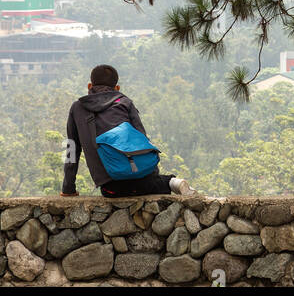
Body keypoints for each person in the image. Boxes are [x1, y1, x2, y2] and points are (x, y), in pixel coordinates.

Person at [61, 64, 195, 198]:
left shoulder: (77, 108)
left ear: (90, 86)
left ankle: (168, 182)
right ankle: (170, 182)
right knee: (149, 183)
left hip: (112, 186)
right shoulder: (125, 103)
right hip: (142, 176)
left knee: (112, 191)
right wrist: (152, 173)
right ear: (117, 88)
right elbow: (141, 140)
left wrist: (68, 188)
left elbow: (71, 149)